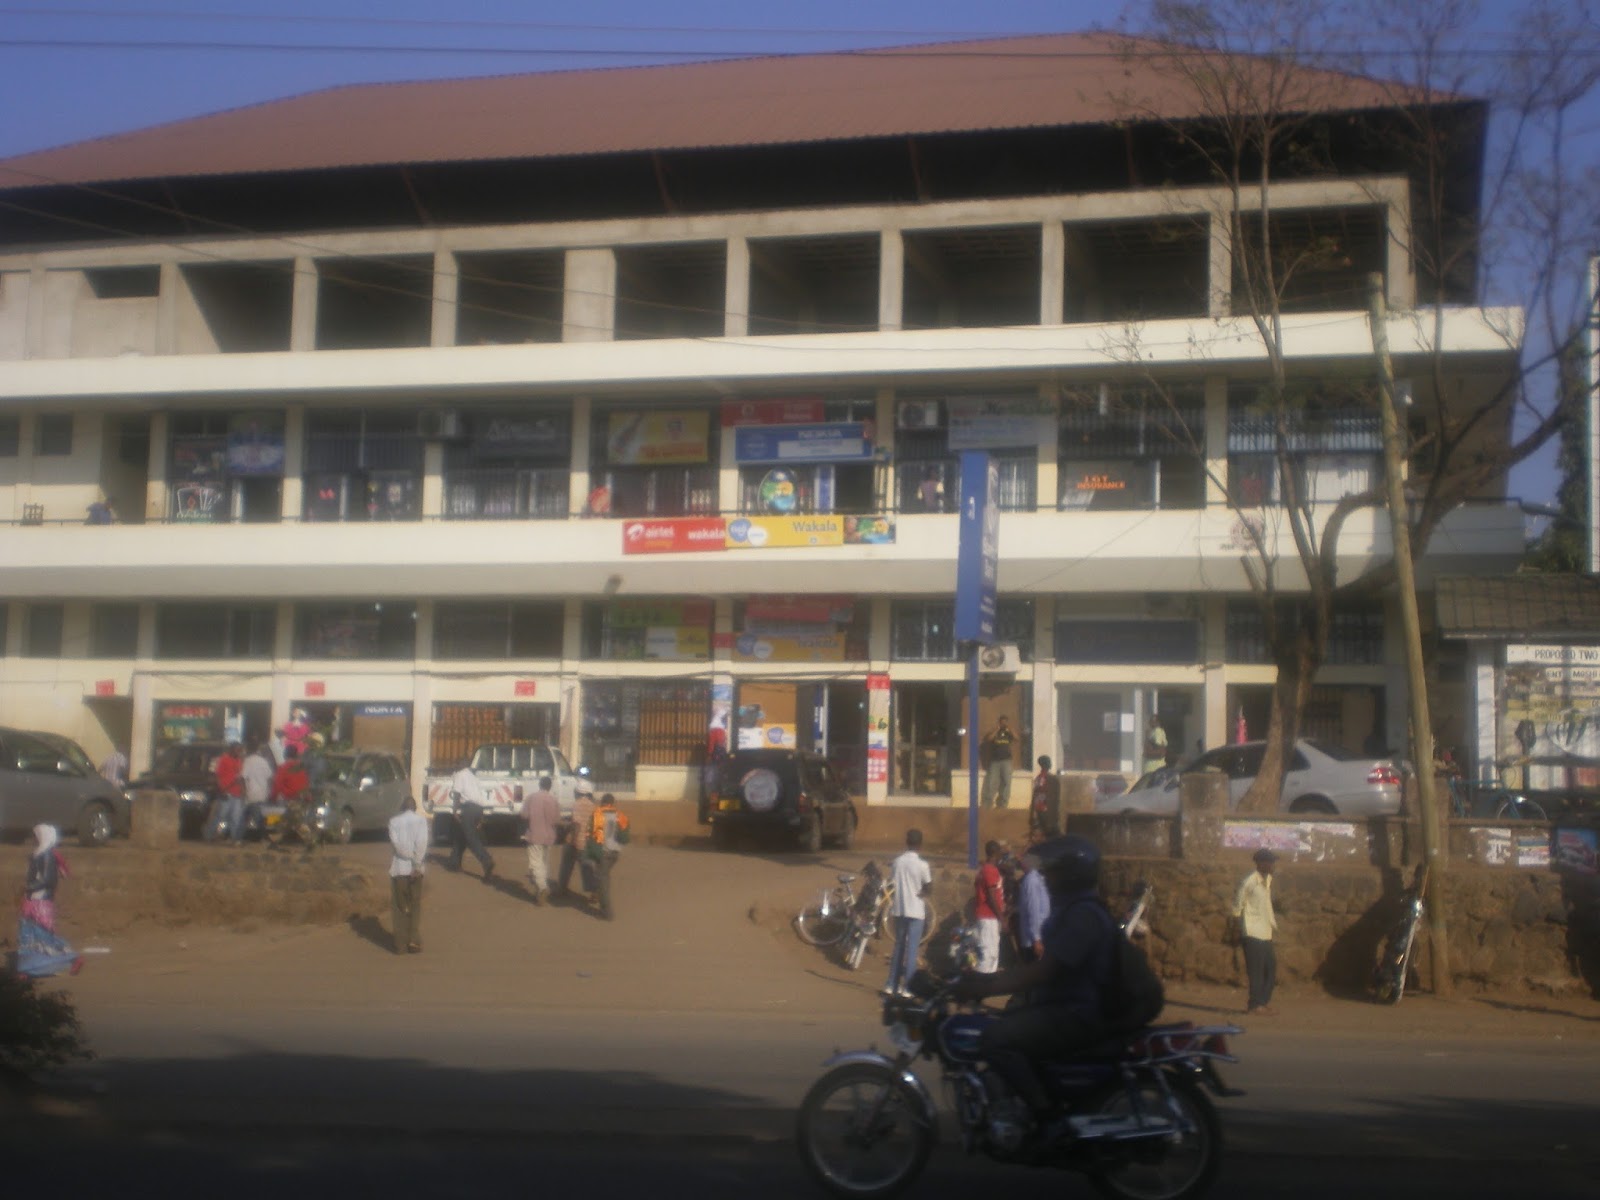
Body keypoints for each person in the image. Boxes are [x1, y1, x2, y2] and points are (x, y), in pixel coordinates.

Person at [954, 836, 1118, 1147]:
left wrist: (984, 987)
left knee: (997, 1039)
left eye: (1054, 872)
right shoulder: (1079, 908)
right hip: (1070, 1005)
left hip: (1077, 1012)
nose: (1048, 878)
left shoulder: (1081, 915)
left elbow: (1040, 973)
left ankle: (1046, 1115)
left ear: (1070, 876)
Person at [17, 824, 83, 978]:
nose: (34, 838)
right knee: (28, 933)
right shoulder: (39, 854)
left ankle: (72, 958)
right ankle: (27, 969)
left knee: (43, 934)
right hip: (33, 899)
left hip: (41, 900)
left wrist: (28, 887)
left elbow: (48, 880)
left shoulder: (47, 855)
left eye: (36, 835)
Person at [882, 828, 933, 997]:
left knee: (898, 948)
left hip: (899, 909)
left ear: (907, 842)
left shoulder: (897, 862)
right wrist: (922, 892)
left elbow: (893, 880)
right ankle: (908, 987)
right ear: (920, 844)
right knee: (912, 951)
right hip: (916, 911)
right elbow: (928, 887)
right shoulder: (922, 865)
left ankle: (891, 984)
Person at [1233, 848, 1280, 1015]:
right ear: (1261, 864)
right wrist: (1237, 929)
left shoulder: (1267, 880)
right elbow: (1237, 906)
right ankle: (1254, 1004)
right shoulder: (1249, 882)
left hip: (1266, 931)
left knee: (1271, 967)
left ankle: (1262, 1002)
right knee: (1256, 970)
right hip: (1252, 931)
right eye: (1270, 862)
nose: (1273, 865)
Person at [388, 796, 430, 955]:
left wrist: (408, 856)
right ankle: (413, 939)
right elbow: (422, 843)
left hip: (399, 870)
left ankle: (400, 944)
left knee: (400, 907)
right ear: (415, 808)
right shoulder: (421, 821)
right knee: (415, 905)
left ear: (402, 808)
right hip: (416, 871)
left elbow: (397, 845)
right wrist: (417, 864)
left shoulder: (393, 821)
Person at [446, 760, 495, 881]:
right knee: (460, 834)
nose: (456, 765)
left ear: (461, 765)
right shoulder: (473, 776)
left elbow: (457, 794)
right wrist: (481, 817)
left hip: (469, 809)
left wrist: (454, 811)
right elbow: (478, 795)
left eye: (457, 763)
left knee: (470, 837)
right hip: (478, 809)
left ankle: (486, 860)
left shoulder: (460, 775)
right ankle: (454, 863)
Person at [588, 792, 630, 920]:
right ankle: (596, 894)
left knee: (603, 879)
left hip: (603, 851)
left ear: (602, 802)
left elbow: (592, 835)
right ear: (612, 803)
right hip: (615, 853)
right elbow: (625, 838)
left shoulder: (596, 814)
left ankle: (607, 912)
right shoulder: (621, 816)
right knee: (602, 875)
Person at [521, 774, 562, 904]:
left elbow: (524, 815)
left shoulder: (531, 798)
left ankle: (542, 887)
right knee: (544, 862)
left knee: (535, 863)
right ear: (550, 787)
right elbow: (557, 820)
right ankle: (542, 888)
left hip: (534, 835)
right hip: (549, 836)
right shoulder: (553, 800)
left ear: (539, 785)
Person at [556, 780, 597, 899]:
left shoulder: (577, 804)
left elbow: (576, 824)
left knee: (566, 866)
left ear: (578, 792)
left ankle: (561, 889)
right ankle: (595, 891)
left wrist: (572, 839)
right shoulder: (593, 806)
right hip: (588, 842)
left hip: (574, 840)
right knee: (587, 868)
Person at [974, 839, 1008, 974]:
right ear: (996, 853)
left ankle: (988, 982)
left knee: (992, 953)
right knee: (988, 953)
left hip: (989, 916)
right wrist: (1002, 919)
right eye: (1000, 852)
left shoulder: (985, 869)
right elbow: (991, 896)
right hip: (989, 916)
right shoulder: (990, 870)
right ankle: (980, 984)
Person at [269, 746, 313, 848]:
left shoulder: (283, 768)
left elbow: (277, 785)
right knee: (286, 821)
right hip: (303, 797)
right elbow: (305, 784)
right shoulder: (300, 768)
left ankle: (310, 840)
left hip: (292, 798)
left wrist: (273, 797)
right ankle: (274, 841)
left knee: (297, 822)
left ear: (285, 755)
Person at [1014, 849, 1051, 963]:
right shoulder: (1032, 879)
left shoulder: (1032, 880)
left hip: (1035, 939)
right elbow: (1029, 909)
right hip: (1035, 937)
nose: (1020, 863)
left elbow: (1033, 910)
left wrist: (1036, 939)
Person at [239, 741, 274, 845]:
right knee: (249, 817)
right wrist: (269, 791)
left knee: (254, 818)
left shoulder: (247, 761)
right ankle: (239, 838)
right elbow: (270, 778)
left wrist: (243, 791)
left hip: (251, 793)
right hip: (262, 793)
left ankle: (263, 838)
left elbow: (243, 777)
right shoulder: (264, 761)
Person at [211, 742, 245, 844]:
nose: (239, 752)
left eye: (240, 750)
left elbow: (240, 777)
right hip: (226, 791)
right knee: (221, 815)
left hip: (237, 793)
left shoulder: (239, 760)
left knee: (236, 817)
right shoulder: (224, 759)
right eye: (237, 749)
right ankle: (210, 835)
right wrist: (222, 790)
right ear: (231, 749)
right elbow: (217, 776)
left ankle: (234, 838)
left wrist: (243, 790)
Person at [982, 715, 1017, 808]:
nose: (1003, 724)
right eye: (1002, 722)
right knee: (991, 782)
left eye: (1005, 722)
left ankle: (1002, 804)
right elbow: (989, 739)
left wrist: (1010, 729)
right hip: (995, 761)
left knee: (1006, 782)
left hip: (1007, 761)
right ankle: (987, 804)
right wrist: (996, 729)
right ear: (999, 722)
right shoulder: (995, 732)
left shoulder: (1008, 733)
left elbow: (1016, 738)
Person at [1030, 755, 1061, 840]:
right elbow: (1053, 799)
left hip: (1039, 810)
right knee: (1053, 838)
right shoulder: (1052, 779)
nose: (1051, 763)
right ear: (1047, 764)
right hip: (1048, 813)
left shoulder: (1038, 778)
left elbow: (1035, 796)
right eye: (1049, 762)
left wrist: (1032, 813)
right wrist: (1055, 815)